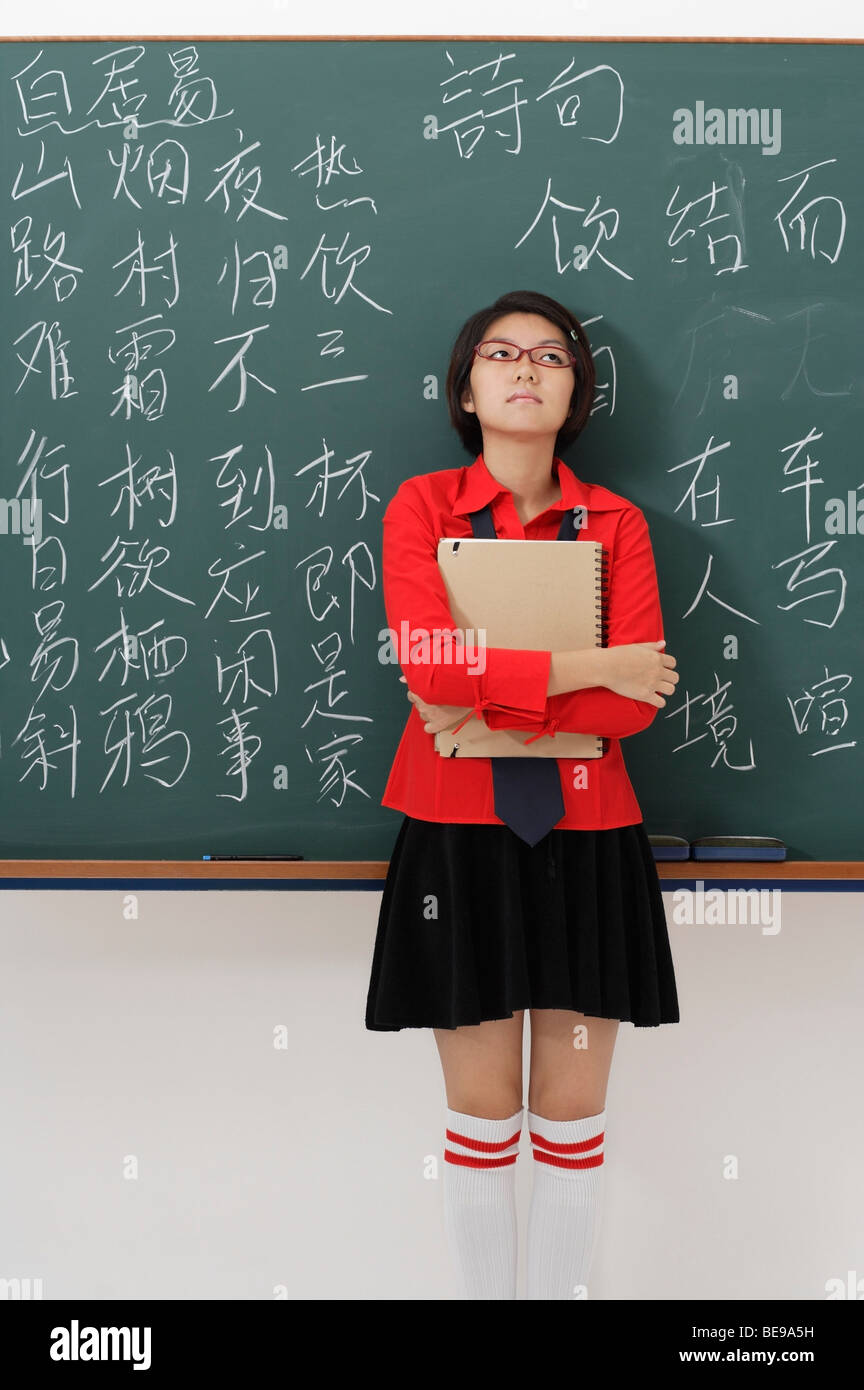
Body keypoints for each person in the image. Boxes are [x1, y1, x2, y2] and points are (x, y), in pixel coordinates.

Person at [365, 288, 680, 1300]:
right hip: (455, 834)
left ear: (578, 390)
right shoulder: (420, 507)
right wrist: (578, 676)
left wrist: (473, 702)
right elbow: (425, 661)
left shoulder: (618, 522)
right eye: (502, 354)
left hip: (590, 828)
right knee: (482, 1113)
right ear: (466, 386)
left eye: (552, 356)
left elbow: (636, 708)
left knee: (574, 1118)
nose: (527, 369)